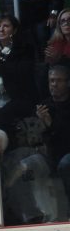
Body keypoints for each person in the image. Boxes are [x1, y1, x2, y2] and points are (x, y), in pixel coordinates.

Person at [38, 64, 70, 207]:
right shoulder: (44, 106)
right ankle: (38, 213)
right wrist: (42, 125)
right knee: (28, 163)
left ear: (68, 83)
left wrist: (51, 124)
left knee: (65, 163)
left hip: (66, 153)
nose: (54, 84)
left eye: (59, 80)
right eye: (51, 80)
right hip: (50, 154)